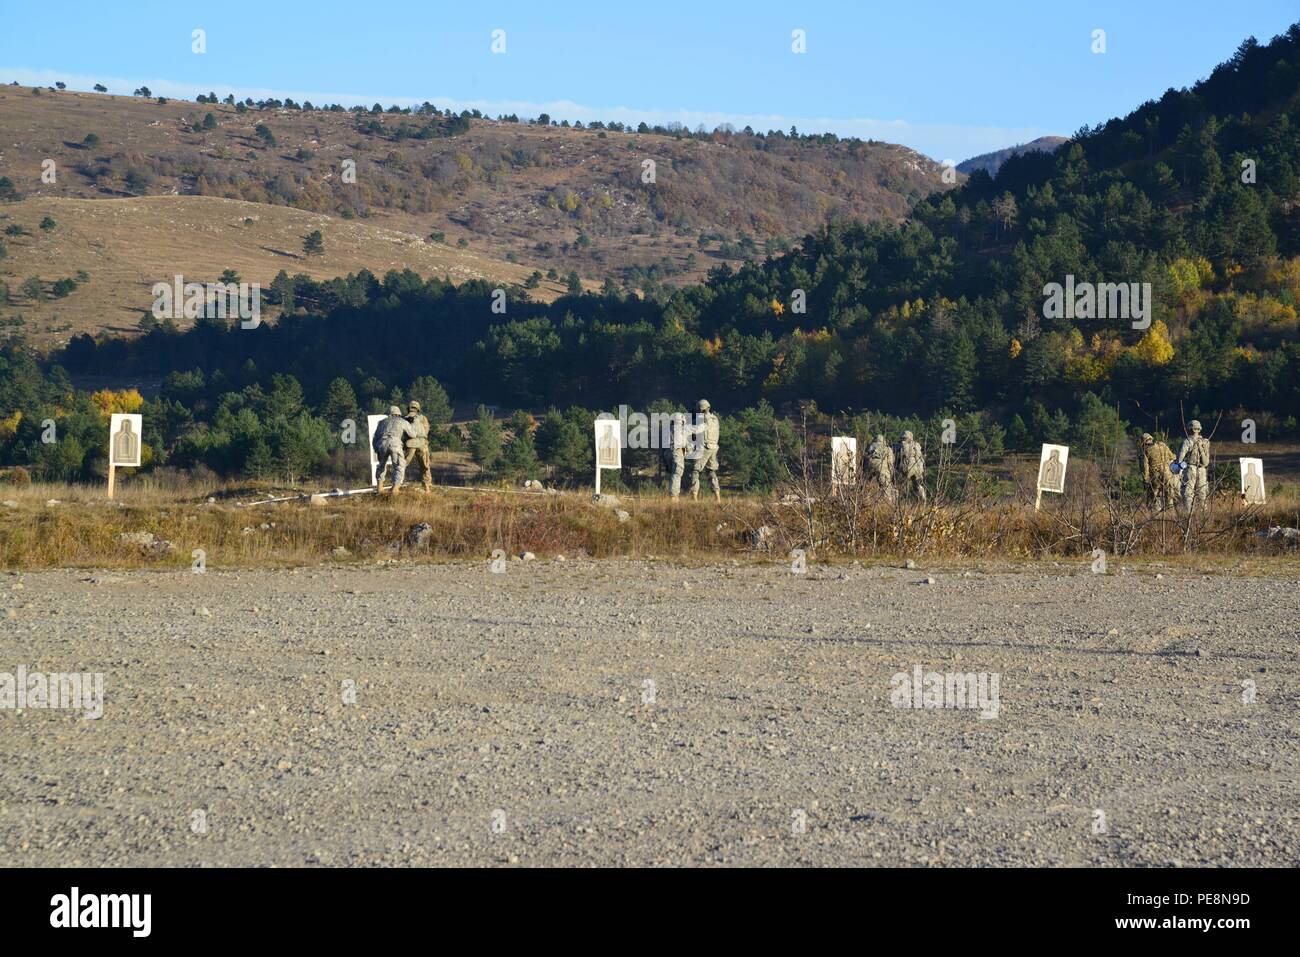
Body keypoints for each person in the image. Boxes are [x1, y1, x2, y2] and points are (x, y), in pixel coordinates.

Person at [373, 405, 415, 495]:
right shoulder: (402, 421)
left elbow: (375, 437)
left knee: (381, 466)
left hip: (382, 443)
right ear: (398, 413)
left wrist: (376, 449)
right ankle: (395, 489)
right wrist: (410, 424)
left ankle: (379, 488)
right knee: (399, 466)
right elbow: (413, 434)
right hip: (395, 443)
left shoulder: (381, 422)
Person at [688, 399, 720, 502]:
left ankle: (694, 497)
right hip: (714, 448)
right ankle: (717, 497)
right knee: (712, 472)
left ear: (701, 409)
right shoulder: (715, 419)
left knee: (695, 471)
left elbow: (695, 429)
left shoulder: (701, 419)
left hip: (704, 448)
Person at [1177, 420, 1211, 512]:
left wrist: (1178, 470)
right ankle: (1204, 513)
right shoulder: (1206, 442)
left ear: (1189, 429)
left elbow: (1180, 458)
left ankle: (1188, 514)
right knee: (1202, 492)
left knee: (1188, 492)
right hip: (1202, 470)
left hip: (1191, 469)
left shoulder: (1188, 441)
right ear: (1199, 429)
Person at [1140, 433, 1177, 508]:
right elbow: (1173, 457)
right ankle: (1171, 515)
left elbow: (1145, 468)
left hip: (1155, 476)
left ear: (1143, 442)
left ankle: (1155, 517)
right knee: (1169, 498)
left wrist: (1145, 480)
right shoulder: (1163, 446)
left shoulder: (1145, 451)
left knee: (1154, 499)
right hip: (1168, 475)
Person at [404, 400, 433, 493]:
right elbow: (426, 429)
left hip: (410, 442)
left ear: (409, 408)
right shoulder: (423, 418)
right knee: (425, 465)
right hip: (422, 442)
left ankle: (396, 485)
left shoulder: (405, 418)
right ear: (418, 409)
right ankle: (427, 488)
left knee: (403, 464)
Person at [897, 430, 927, 503]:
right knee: (917, 485)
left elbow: (895, 456)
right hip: (918, 469)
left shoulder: (901, 444)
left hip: (907, 468)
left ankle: (896, 502)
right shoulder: (917, 445)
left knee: (896, 484)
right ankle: (923, 500)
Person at [665, 411, 689, 499]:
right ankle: (673, 497)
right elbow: (686, 443)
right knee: (677, 473)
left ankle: (672, 495)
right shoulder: (682, 429)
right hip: (677, 451)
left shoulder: (667, 429)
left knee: (672, 474)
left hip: (667, 452)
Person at [866, 434, 895, 501]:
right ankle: (886, 504)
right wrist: (891, 474)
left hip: (869, 467)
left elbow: (864, 459)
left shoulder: (870, 447)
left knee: (866, 486)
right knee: (885, 487)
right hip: (882, 468)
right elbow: (890, 463)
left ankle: (865, 502)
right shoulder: (887, 448)